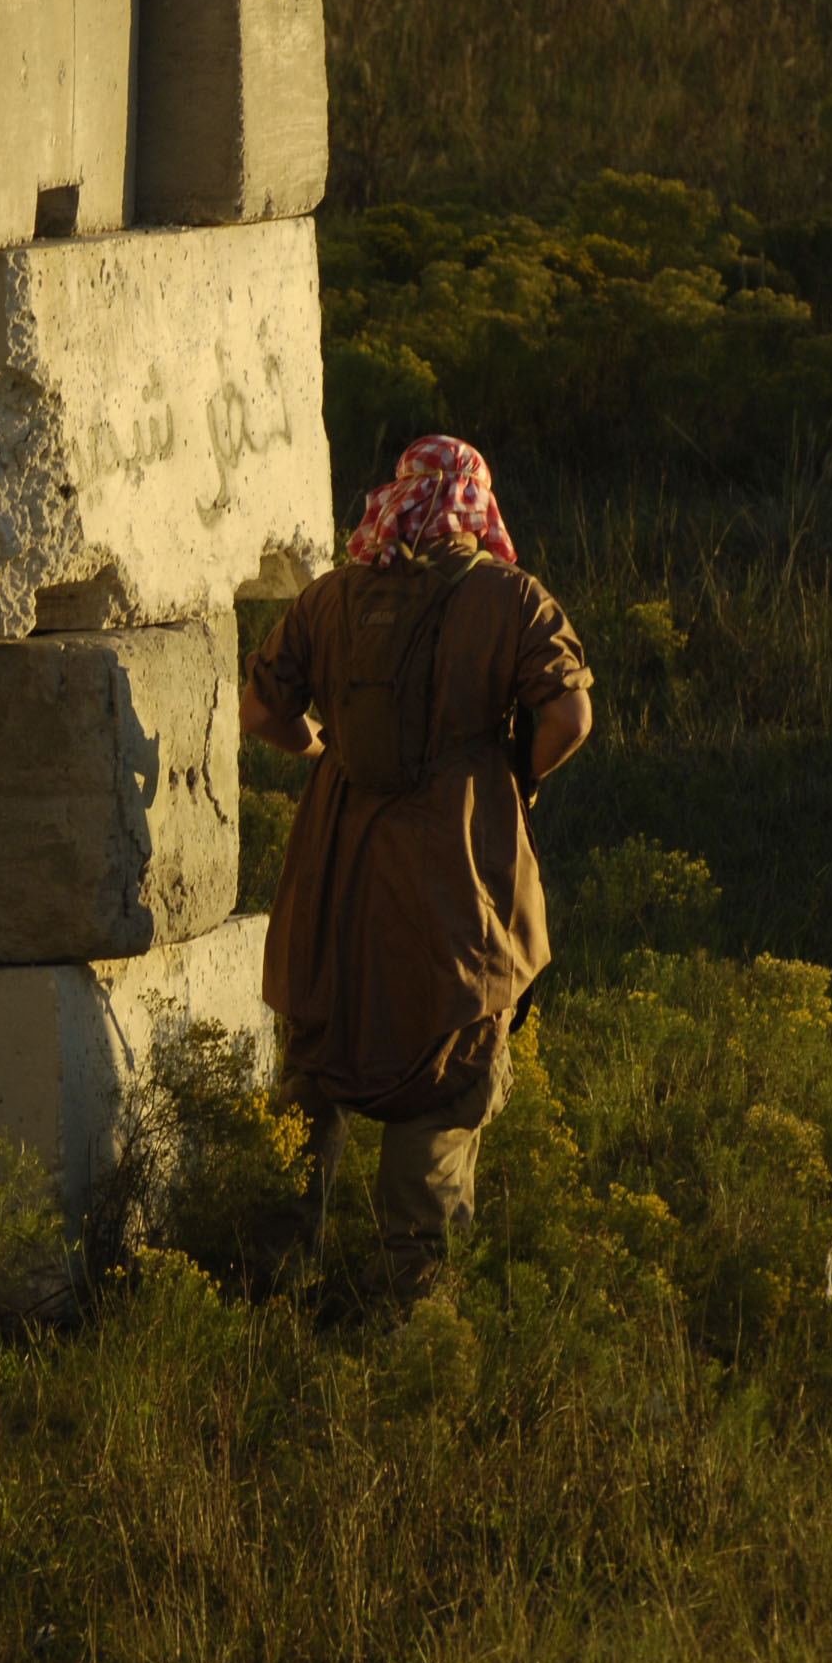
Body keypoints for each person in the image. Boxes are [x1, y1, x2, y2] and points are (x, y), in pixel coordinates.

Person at [238, 434, 595, 1302]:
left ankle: (277, 1288)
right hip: (456, 868)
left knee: (315, 1062)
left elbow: (261, 712)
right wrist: (513, 776)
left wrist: (319, 745)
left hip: (339, 866)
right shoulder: (512, 598)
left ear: (396, 498)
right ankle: (410, 1307)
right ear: (475, 504)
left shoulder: (328, 597)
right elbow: (570, 716)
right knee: (449, 1057)